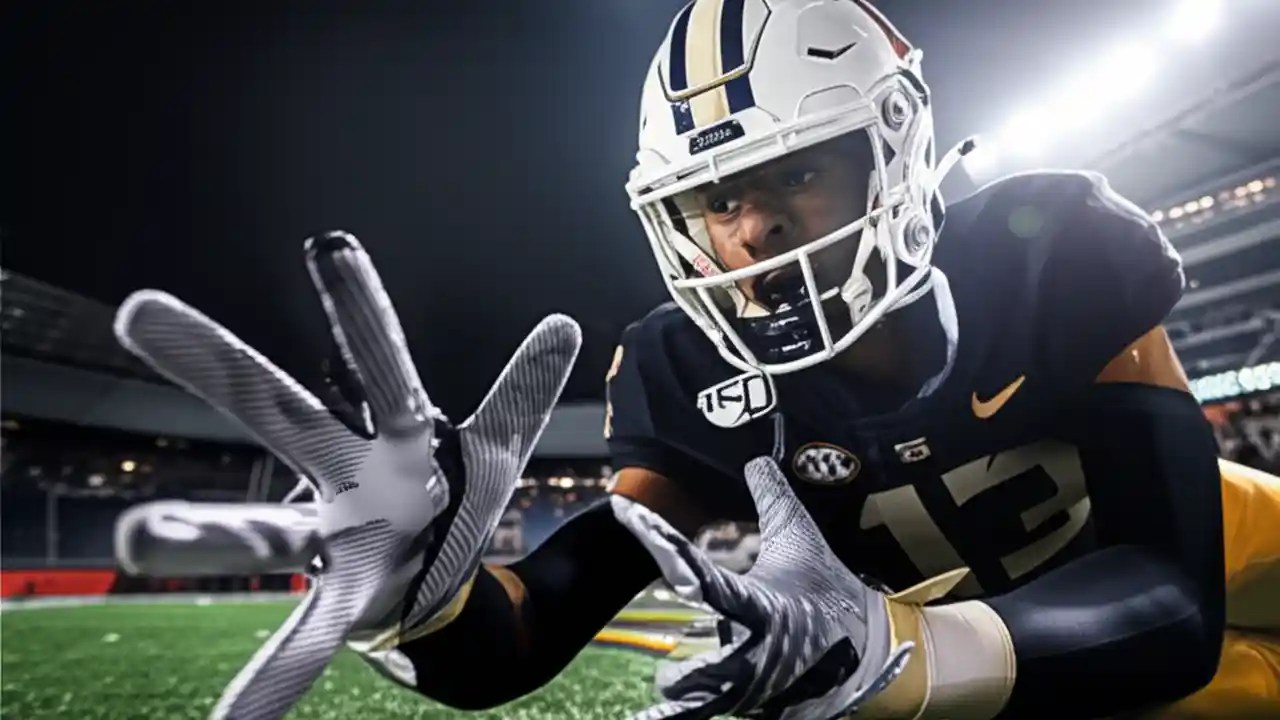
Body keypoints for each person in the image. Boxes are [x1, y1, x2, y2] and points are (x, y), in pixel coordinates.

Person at [112, 1, 1280, 718]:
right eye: (716, 201)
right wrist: (421, 600)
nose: (752, 232)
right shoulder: (685, 370)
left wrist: (902, 651)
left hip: (1210, 538)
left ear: (891, 153)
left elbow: (1171, 598)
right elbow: (524, 633)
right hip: (999, 623)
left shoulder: (1044, 248)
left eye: (793, 176)